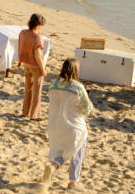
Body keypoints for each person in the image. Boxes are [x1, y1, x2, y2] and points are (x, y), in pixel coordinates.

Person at [41, 59, 94, 191]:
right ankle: (72, 183)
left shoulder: (53, 84)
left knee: (61, 150)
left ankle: (54, 166)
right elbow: (87, 110)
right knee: (77, 150)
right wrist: (88, 99)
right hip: (73, 125)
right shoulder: (78, 87)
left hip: (55, 125)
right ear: (75, 70)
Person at [19, 13, 47, 120]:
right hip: (35, 66)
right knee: (37, 91)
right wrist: (43, 69)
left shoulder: (22, 33)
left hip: (26, 63)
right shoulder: (37, 37)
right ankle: (34, 115)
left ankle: (25, 112)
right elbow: (38, 55)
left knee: (28, 89)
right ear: (38, 25)